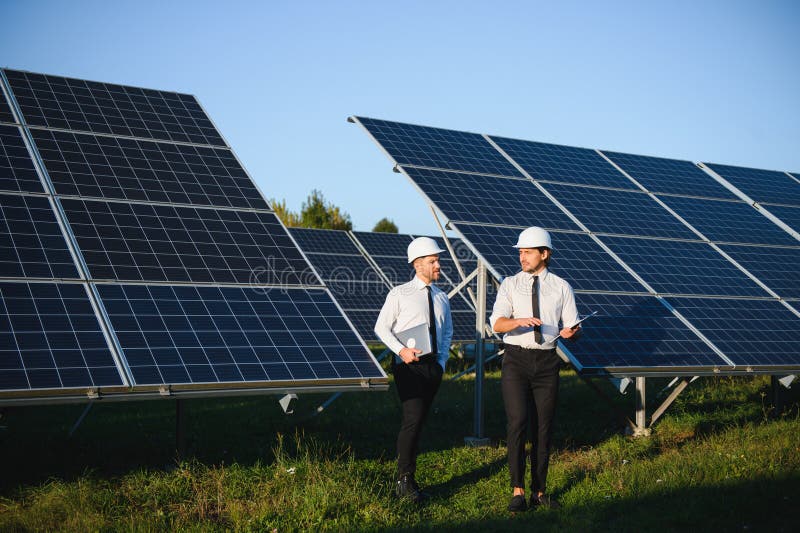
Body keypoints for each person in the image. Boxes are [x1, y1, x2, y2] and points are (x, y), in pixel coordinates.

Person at [489, 226, 581, 512]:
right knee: (517, 422)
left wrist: (572, 333)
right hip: (516, 360)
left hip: (547, 362)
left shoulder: (562, 287)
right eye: (520, 252)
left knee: (543, 427)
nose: (522, 257)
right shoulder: (510, 284)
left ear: (545, 254)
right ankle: (517, 490)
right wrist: (519, 321)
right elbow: (497, 324)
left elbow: (574, 327)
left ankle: (539, 491)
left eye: (528, 252)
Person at [374, 236, 453, 503]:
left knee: (418, 422)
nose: (438, 265)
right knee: (412, 419)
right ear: (418, 265)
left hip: (432, 368)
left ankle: (409, 478)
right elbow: (381, 328)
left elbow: (447, 331)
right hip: (408, 368)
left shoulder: (442, 297)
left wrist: (442, 362)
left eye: (438, 260)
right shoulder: (399, 294)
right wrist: (401, 351)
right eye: (433, 261)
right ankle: (403, 480)